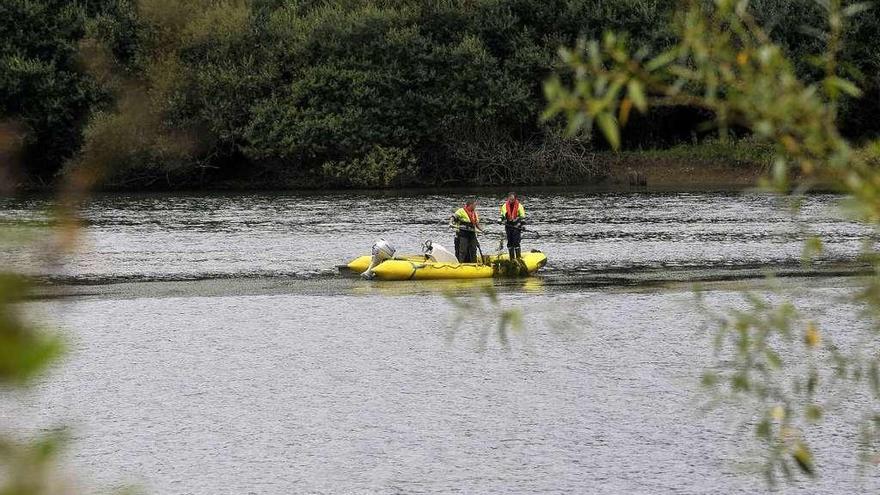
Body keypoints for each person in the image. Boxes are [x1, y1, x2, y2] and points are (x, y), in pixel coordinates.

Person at [499, 192, 526, 260]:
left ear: (515, 199)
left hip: (517, 225)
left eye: (512, 199)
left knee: (516, 242)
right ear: (508, 198)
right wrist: (500, 220)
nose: (511, 200)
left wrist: (520, 224)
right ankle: (512, 258)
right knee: (510, 242)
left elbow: (522, 217)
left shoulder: (519, 206)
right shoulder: (504, 206)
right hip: (508, 225)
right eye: (510, 199)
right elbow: (502, 215)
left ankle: (518, 258)